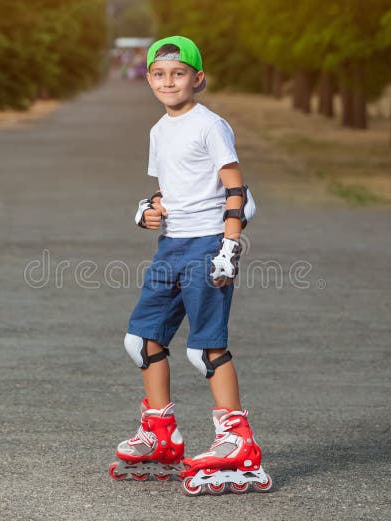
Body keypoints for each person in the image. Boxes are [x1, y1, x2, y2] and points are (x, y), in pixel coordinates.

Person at [108, 35, 272, 496]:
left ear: (197, 78)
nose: (168, 81)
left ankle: (237, 440)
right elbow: (170, 191)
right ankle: (161, 433)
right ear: (149, 80)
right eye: (159, 74)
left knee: (204, 347)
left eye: (178, 73)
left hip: (206, 245)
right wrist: (147, 209)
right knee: (140, 340)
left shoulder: (210, 125)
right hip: (171, 244)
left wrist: (230, 245)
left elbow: (236, 188)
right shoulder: (159, 132)